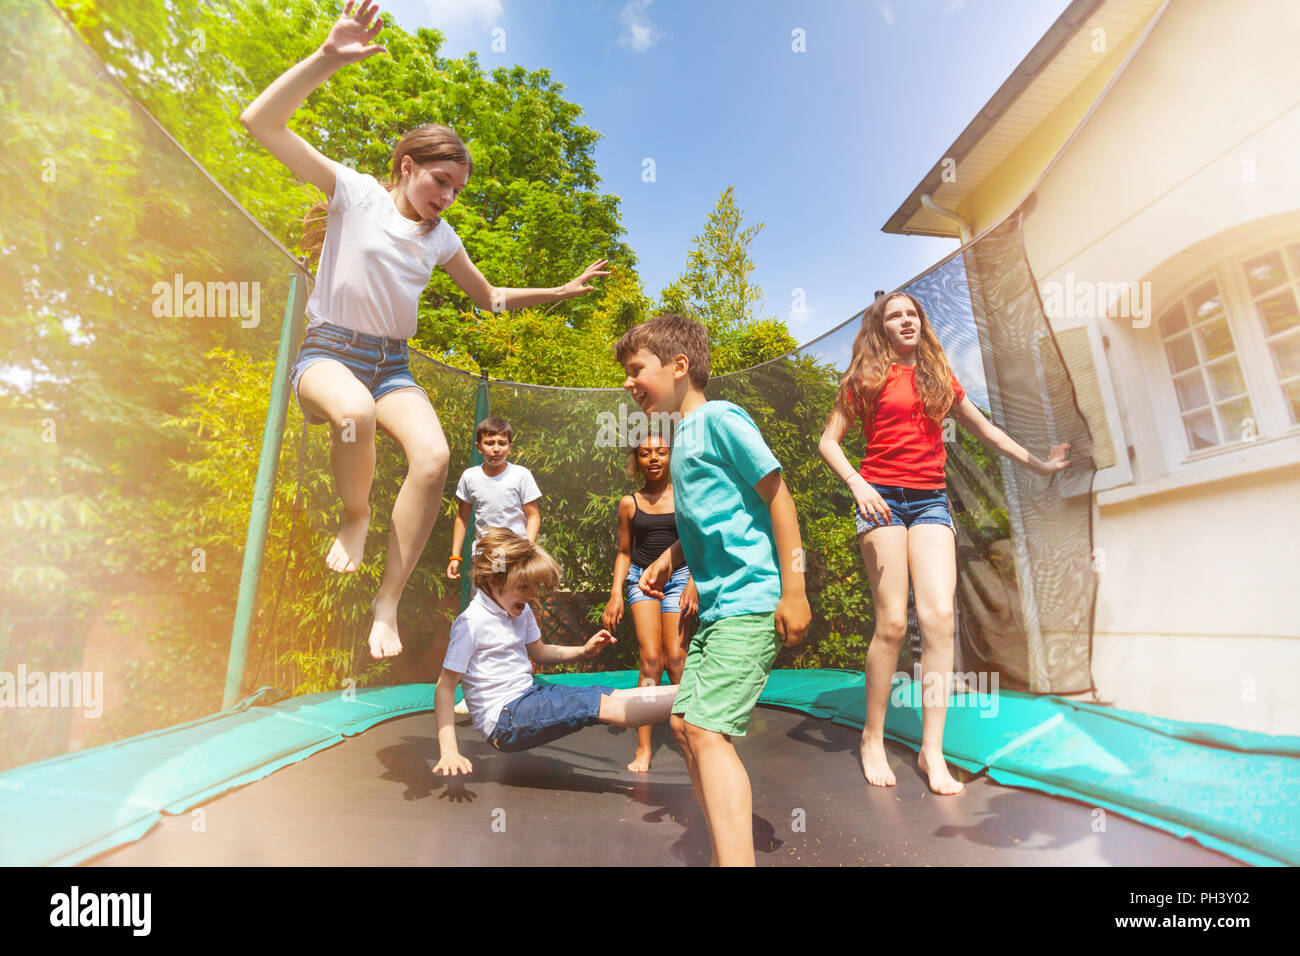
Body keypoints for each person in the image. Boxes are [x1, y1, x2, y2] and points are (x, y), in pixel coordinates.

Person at [238, 0, 608, 661]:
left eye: (457, 190)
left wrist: (559, 290)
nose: (447, 197)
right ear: (407, 165)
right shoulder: (355, 193)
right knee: (350, 413)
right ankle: (356, 519)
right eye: (441, 181)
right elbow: (260, 122)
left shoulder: (442, 237)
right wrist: (326, 58)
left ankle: (387, 602)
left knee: (435, 459)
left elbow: (489, 295)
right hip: (329, 353)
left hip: (391, 364)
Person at [816, 292, 1070, 795]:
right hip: (880, 498)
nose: (906, 321)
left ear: (920, 323)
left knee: (937, 620)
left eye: (912, 314)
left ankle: (932, 751)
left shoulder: (937, 377)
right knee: (891, 623)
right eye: (895, 316)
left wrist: (1040, 464)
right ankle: (872, 737)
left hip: (930, 501)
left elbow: (987, 431)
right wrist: (857, 484)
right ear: (881, 327)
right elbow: (828, 441)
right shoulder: (865, 378)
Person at [617, 313, 811, 867]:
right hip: (718, 610)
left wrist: (793, 590)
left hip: (751, 599)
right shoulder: (679, 441)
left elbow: (777, 497)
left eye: (637, 370)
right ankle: (720, 839)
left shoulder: (722, 419)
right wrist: (671, 559)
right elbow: (715, 520)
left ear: (679, 367)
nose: (630, 383)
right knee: (682, 724)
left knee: (703, 729)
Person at [432, 528, 679, 770]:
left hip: (529, 697)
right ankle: (693, 696)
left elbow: (538, 651)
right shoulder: (471, 623)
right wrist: (450, 751)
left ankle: (689, 691)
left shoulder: (519, 609)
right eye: (523, 587)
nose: (532, 595)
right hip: (505, 721)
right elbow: (445, 687)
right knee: (598, 705)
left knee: (605, 694)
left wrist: (583, 650)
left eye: (534, 587)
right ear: (492, 580)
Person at [602, 432, 697, 773]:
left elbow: (698, 544)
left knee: (677, 660)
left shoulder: (686, 496)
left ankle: (693, 739)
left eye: (661, 452)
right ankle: (644, 748)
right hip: (641, 578)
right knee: (651, 660)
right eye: (646, 453)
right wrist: (616, 594)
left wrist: (693, 584)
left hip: (680, 577)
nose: (654, 458)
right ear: (637, 460)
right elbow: (625, 552)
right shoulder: (630, 503)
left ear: (671, 457)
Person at [447, 418, 541, 583]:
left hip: (514, 553)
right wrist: (455, 556)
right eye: (490, 443)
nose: (496, 449)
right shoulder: (470, 476)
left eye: (502, 443)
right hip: (484, 553)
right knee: (485, 601)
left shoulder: (521, 475)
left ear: (510, 447)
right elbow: (462, 517)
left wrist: (528, 549)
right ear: (479, 447)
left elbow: (533, 516)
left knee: (511, 601)